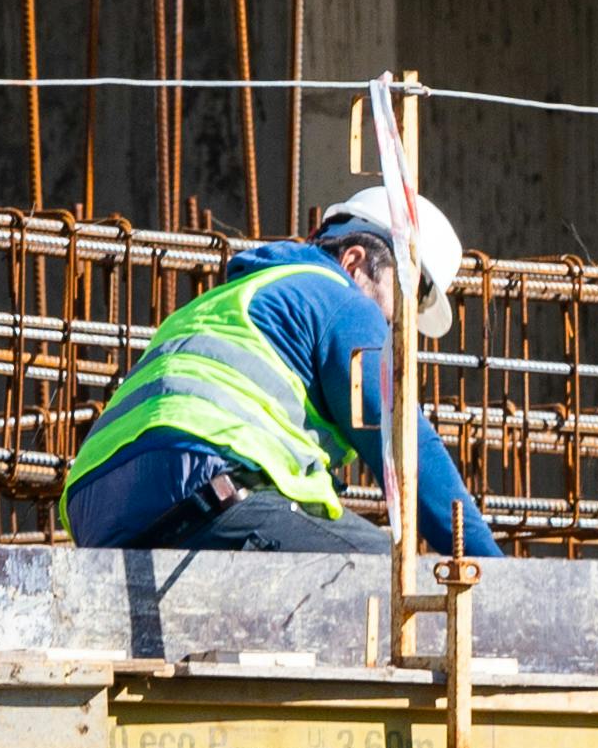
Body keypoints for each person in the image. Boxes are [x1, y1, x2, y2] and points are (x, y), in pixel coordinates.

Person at [60, 180, 498, 559]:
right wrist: (497, 574)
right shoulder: (339, 299)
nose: (392, 328)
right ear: (354, 262)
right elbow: (405, 445)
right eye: (398, 300)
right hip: (201, 484)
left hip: (98, 510)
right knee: (391, 581)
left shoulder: (234, 301)